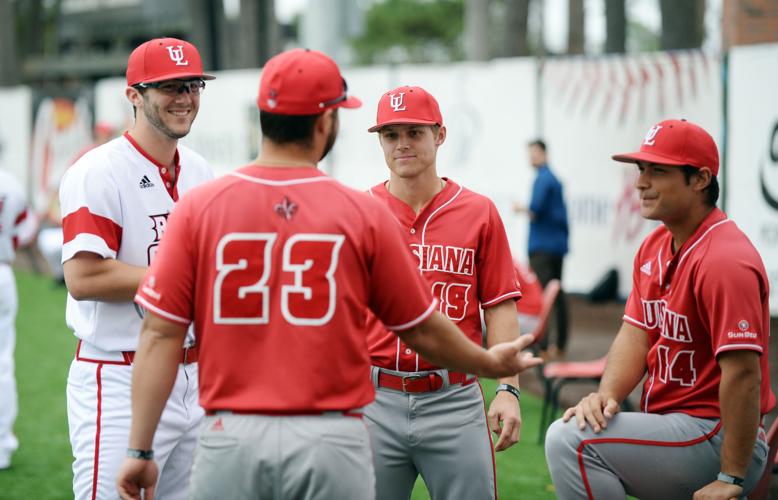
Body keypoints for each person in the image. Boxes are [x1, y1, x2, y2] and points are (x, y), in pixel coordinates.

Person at [113, 48, 540, 500]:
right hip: (330, 433)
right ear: (325, 123)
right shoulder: (359, 211)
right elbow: (419, 327)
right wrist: (489, 364)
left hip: (228, 431)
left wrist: (140, 449)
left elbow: (160, 335)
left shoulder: (198, 206)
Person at [545, 119, 774, 499]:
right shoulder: (654, 245)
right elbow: (635, 334)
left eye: (658, 170)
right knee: (581, 428)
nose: (640, 182)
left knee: (570, 441)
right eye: (641, 169)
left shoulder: (724, 259)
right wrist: (606, 396)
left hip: (719, 436)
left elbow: (744, 374)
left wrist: (730, 477)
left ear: (699, 179)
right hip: (673, 428)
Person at [60, 37, 215, 500]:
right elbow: (84, 278)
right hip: (120, 373)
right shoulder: (99, 170)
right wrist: (181, 277)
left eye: (192, 85)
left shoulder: (200, 170)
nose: (185, 97)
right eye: (169, 87)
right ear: (134, 95)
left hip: (195, 376)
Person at [364, 85, 528, 500]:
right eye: (391, 134)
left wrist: (508, 390)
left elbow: (500, 308)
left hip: (453, 399)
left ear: (440, 135)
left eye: (414, 133)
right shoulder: (359, 211)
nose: (402, 144)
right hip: (373, 400)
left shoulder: (478, 212)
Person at [38, 121, 117, 283]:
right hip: (84, 206)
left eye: (109, 134)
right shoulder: (88, 154)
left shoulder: (113, 153)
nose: (107, 137)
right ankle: (62, 276)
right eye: (105, 133)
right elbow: (68, 182)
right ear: (98, 134)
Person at [513, 139, 569, 359]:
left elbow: (535, 209)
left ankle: (542, 346)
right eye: (530, 154)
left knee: (541, 298)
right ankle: (560, 344)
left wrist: (520, 208)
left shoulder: (543, 179)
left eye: (534, 153)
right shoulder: (554, 179)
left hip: (543, 247)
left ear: (544, 153)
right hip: (556, 246)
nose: (531, 158)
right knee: (557, 294)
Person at [0, 168, 31, 469]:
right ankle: (2, 446)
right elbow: (25, 230)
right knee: (2, 363)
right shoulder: (12, 182)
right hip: (3, 271)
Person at [514, 260, 543, 334]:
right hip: (534, 317)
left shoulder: (505, 265)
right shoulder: (514, 262)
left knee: (482, 320)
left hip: (527, 319)